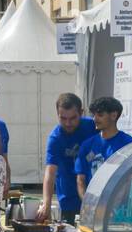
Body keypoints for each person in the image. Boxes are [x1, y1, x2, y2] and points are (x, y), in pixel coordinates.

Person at [37, 93, 95, 223]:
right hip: (69, 198)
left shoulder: (92, 127)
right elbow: (50, 172)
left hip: (94, 196)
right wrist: (46, 203)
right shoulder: (55, 138)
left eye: (73, 118)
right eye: (63, 118)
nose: (68, 123)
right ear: (57, 114)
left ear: (81, 112)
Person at [75, 97, 132, 199]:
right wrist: (87, 204)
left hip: (119, 209)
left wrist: (114, 205)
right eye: (94, 115)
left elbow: (131, 179)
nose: (95, 119)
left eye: (100, 115)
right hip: (93, 207)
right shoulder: (87, 145)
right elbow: (80, 179)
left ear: (113, 115)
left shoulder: (129, 144)